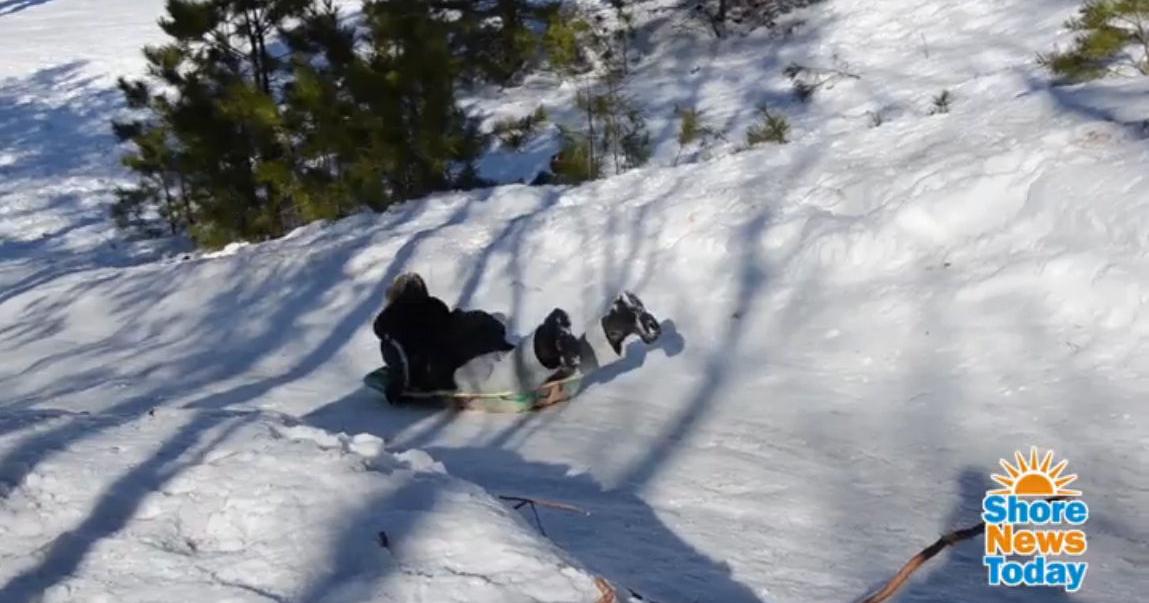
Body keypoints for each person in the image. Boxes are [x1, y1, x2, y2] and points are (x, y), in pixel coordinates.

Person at [373, 272, 662, 400]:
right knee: (560, 369)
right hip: (486, 341)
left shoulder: (393, 323)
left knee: (501, 380)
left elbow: (401, 360)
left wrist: (397, 389)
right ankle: (617, 323)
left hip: (455, 363)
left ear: (393, 299)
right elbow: (487, 320)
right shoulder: (440, 311)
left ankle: (548, 343)